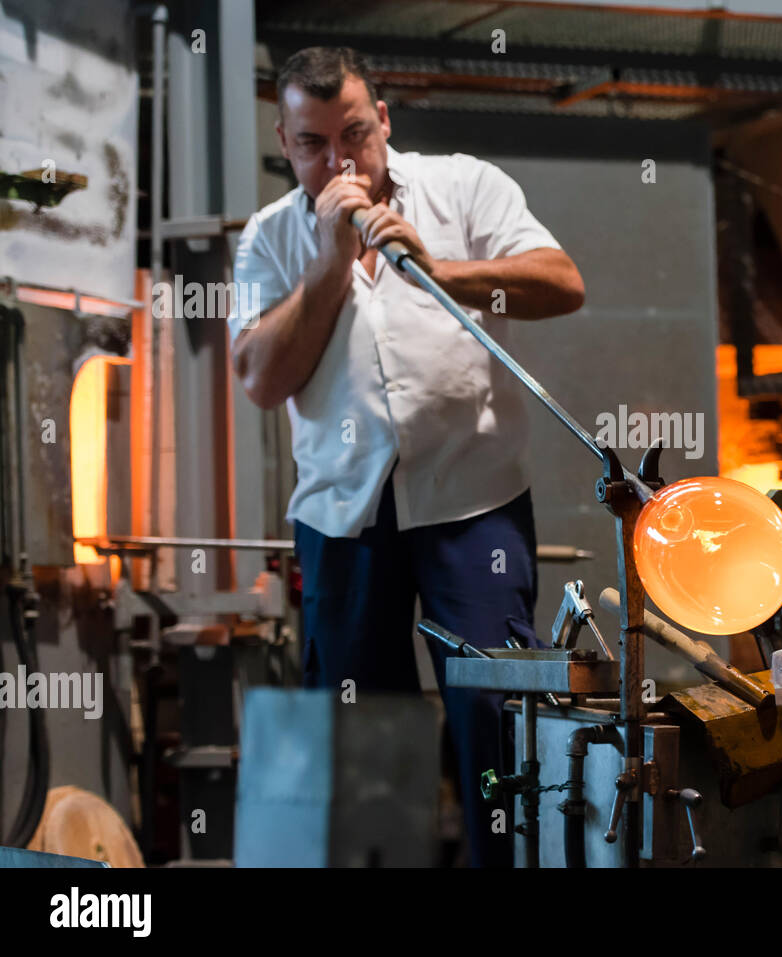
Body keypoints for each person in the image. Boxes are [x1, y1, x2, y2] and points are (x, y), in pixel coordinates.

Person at [228, 46, 584, 867]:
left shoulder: (465, 185)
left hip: (474, 502)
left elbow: (562, 282)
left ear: (384, 120)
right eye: (315, 143)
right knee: (362, 740)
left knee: (496, 718)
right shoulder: (271, 237)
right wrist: (327, 264)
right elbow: (258, 376)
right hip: (344, 519)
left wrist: (443, 270)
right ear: (286, 142)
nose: (341, 160)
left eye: (355, 133)